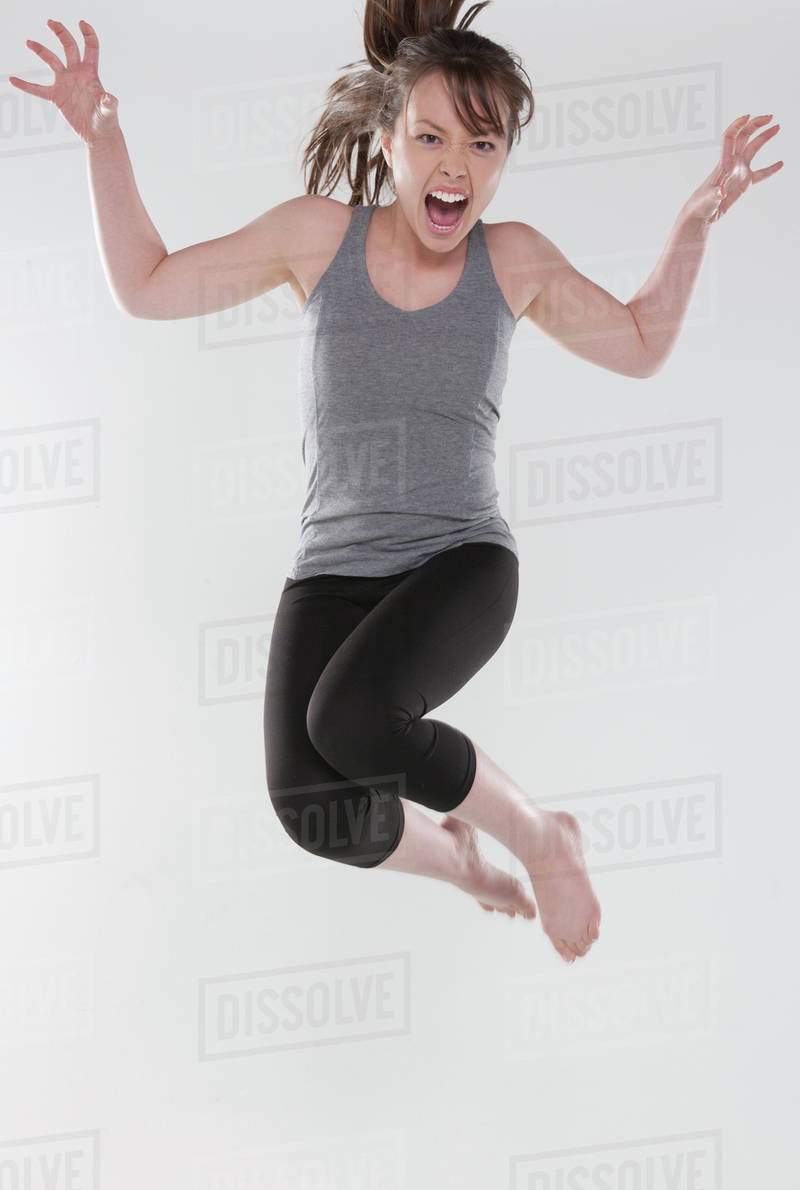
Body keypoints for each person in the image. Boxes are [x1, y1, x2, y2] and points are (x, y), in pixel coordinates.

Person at [10, 3, 781, 964]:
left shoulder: (513, 258)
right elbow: (147, 283)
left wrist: (694, 223)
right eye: (431, 137)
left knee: (352, 719)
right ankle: (456, 858)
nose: (456, 165)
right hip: (332, 571)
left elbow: (638, 344)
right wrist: (104, 139)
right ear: (388, 143)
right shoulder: (317, 237)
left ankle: (540, 838)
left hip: (461, 560)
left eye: (483, 144)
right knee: (308, 803)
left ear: (504, 159)